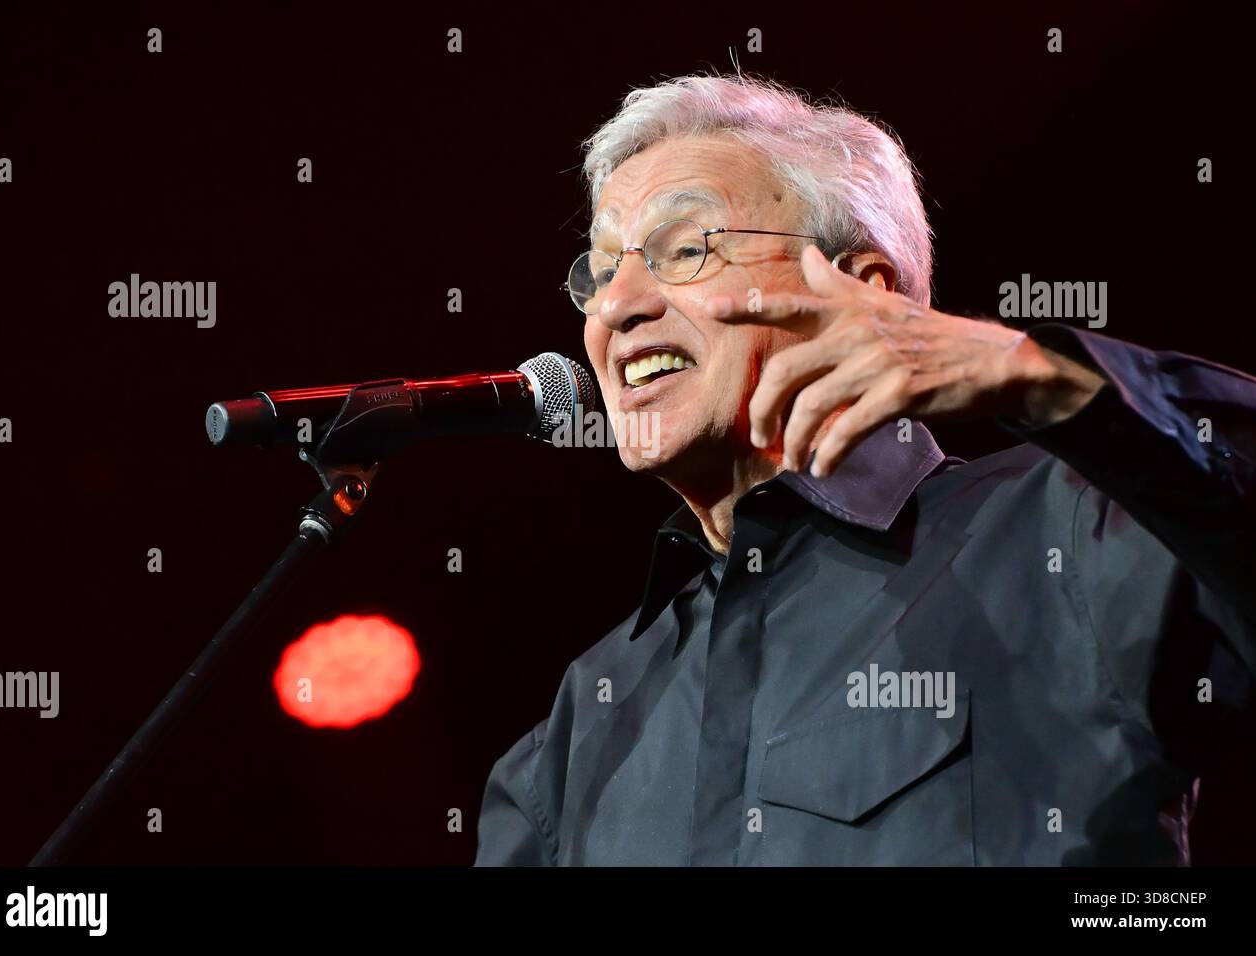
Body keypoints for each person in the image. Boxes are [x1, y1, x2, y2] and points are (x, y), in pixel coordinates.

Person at [475, 72, 1255, 865]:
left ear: (864, 292)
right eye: (602, 273)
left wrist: (1041, 374)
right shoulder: (576, 737)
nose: (616, 307)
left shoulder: (1066, 532)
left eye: (686, 249)